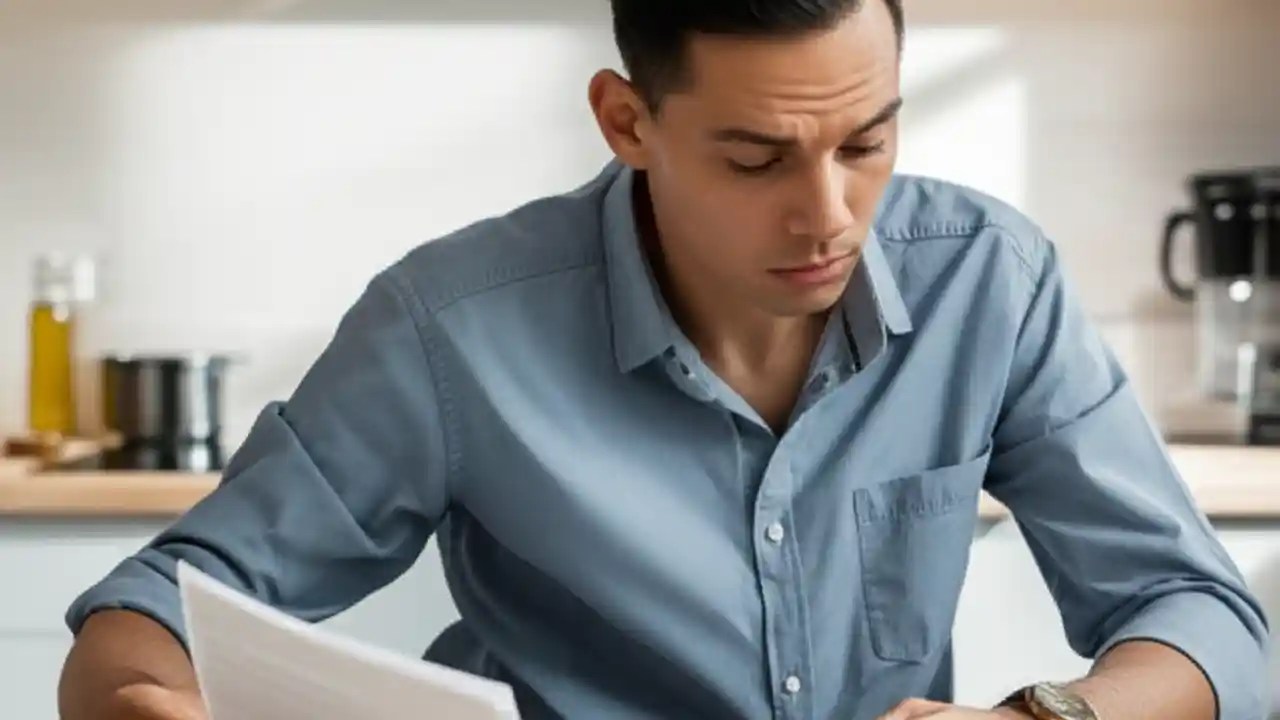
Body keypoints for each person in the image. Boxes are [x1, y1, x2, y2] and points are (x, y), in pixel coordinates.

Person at [59, 1, 1269, 719]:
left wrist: (1054, 716)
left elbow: (1205, 619)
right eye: (756, 160)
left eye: (867, 140)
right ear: (625, 121)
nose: (828, 215)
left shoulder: (987, 282)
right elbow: (150, 609)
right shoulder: (451, 327)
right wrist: (142, 699)